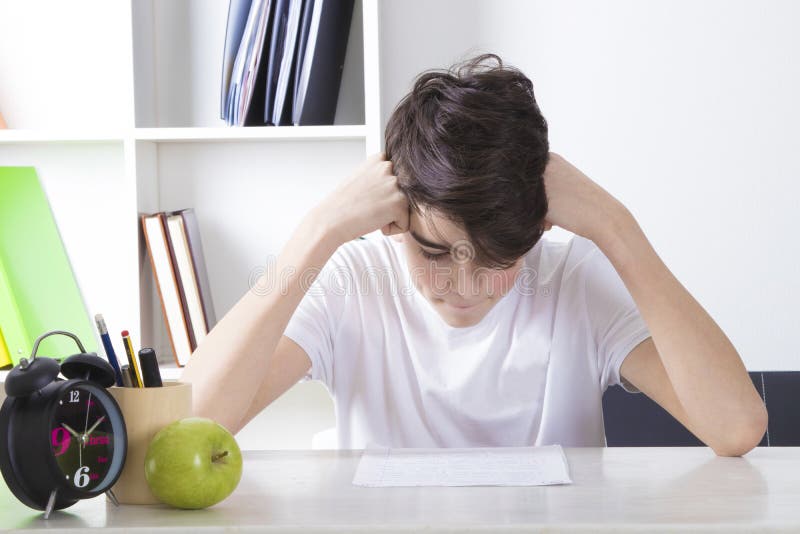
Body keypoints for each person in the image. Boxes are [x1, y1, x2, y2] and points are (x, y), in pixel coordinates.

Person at [182, 53, 767, 456]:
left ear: (534, 230)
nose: (466, 286)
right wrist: (316, 232)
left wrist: (617, 228)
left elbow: (736, 428)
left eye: (496, 262)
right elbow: (190, 424)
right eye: (435, 254)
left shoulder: (573, 280)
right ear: (393, 219)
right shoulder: (353, 280)